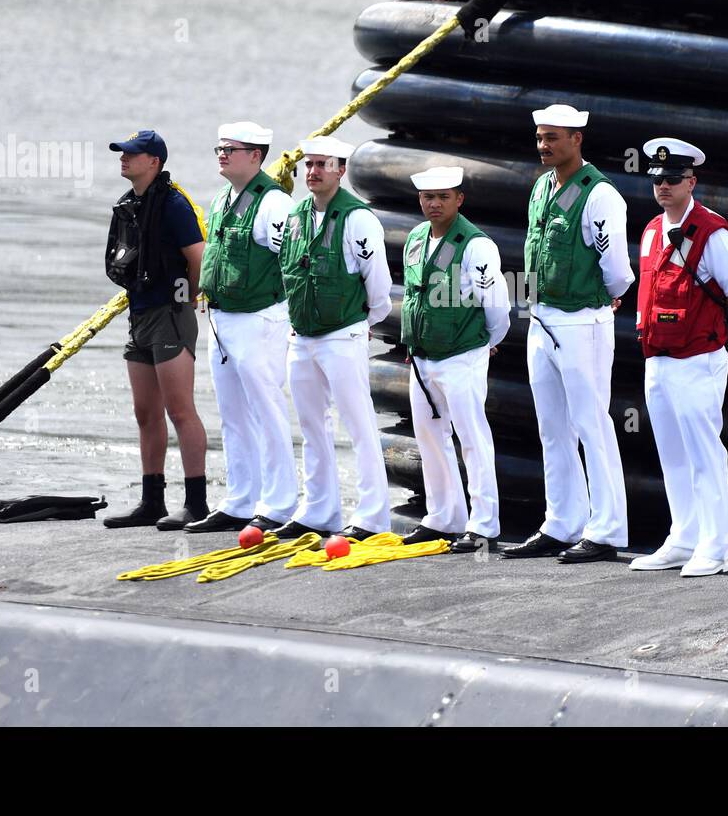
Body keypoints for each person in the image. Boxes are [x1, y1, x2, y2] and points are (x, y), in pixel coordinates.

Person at [502, 104, 634, 564]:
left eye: (553, 137)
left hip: (583, 322)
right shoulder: (541, 186)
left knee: (591, 424)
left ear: (577, 139)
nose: (543, 145)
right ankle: (561, 522)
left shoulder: (600, 196)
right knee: (552, 428)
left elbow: (617, 269)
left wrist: (604, 297)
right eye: (540, 137)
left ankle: (607, 528)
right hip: (543, 318)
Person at [630, 138, 728, 577]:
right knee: (672, 453)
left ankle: (714, 547)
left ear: (691, 181)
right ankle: (682, 537)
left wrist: (727, 337)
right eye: (657, 179)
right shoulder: (649, 232)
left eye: (672, 179)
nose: (663, 186)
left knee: (705, 452)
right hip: (658, 358)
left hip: (698, 356)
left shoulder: (713, 232)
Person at [271, 136, 392, 542]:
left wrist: (360, 323)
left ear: (341, 170)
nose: (313, 172)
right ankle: (319, 509)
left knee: (359, 424)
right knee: (310, 425)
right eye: (308, 165)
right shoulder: (295, 216)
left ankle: (373, 517)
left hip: (343, 335)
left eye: (322, 164)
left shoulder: (358, 220)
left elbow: (379, 288)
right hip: (301, 337)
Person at [185, 122, 300, 534]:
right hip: (222, 319)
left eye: (230, 149)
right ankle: (239, 500)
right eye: (220, 148)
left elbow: (292, 262)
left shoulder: (273, 204)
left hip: (260, 319)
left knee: (266, 409)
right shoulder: (220, 200)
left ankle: (280, 503)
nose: (221, 154)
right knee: (232, 413)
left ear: (255, 156)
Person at [398, 166, 511, 553]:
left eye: (443, 196)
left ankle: (484, 524)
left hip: (462, 356)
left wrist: (484, 344)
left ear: (459, 199)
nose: (434, 203)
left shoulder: (476, 246)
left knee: (472, 438)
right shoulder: (415, 239)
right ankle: (444, 516)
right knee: (430, 438)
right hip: (423, 357)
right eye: (428, 197)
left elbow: (497, 308)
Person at [101, 129, 209, 529]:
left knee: (179, 409)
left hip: (170, 314)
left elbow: (197, 255)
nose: (123, 159)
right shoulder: (130, 203)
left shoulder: (174, 204)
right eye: (122, 154)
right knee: (145, 412)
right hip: (140, 315)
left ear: (154, 162)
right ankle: (152, 501)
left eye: (132, 154)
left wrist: (190, 296)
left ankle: (196, 503)